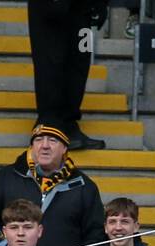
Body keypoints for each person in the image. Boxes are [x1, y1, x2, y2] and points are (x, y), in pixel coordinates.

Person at [0, 124, 105, 246]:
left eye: (53, 140)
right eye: (38, 140)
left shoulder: (84, 187)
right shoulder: (3, 179)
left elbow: (95, 237)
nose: (45, 145)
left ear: (64, 148)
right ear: (32, 146)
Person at [25, 0, 108, 150]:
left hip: (83, 8)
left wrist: (101, 3)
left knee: (80, 61)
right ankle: (50, 126)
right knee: (50, 63)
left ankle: (69, 124)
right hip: (49, 7)